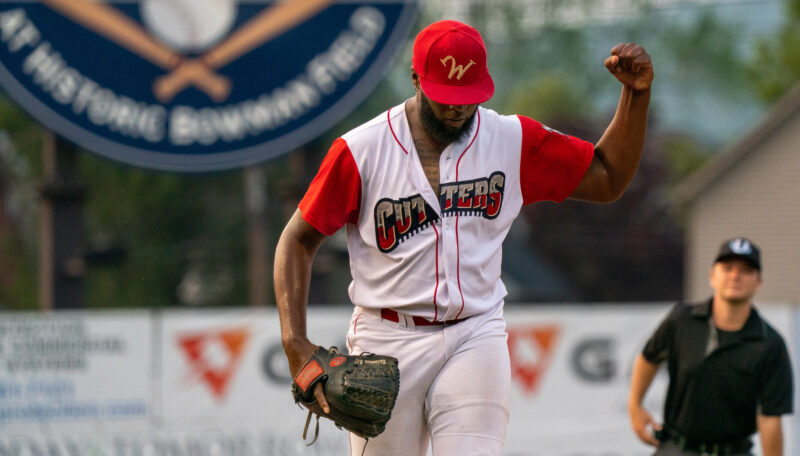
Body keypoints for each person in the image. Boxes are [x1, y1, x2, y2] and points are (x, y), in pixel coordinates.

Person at [275, 19, 653, 456]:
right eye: (446, 97)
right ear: (416, 79)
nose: (457, 109)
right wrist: (294, 342)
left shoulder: (510, 140)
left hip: (475, 331)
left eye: (468, 97)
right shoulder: (361, 151)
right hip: (386, 339)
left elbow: (606, 178)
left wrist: (635, 96)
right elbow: (297, 240)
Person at [628, 237, 793, 456]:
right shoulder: (681, 320)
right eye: (727, 268)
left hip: (734, 451)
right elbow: (650, 357)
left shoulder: (769, 344)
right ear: (712, 276)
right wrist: (635, 405)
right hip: (677, 448)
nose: (735, 276)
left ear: (759, 282)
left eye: (745, 270)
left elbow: (770, 419)